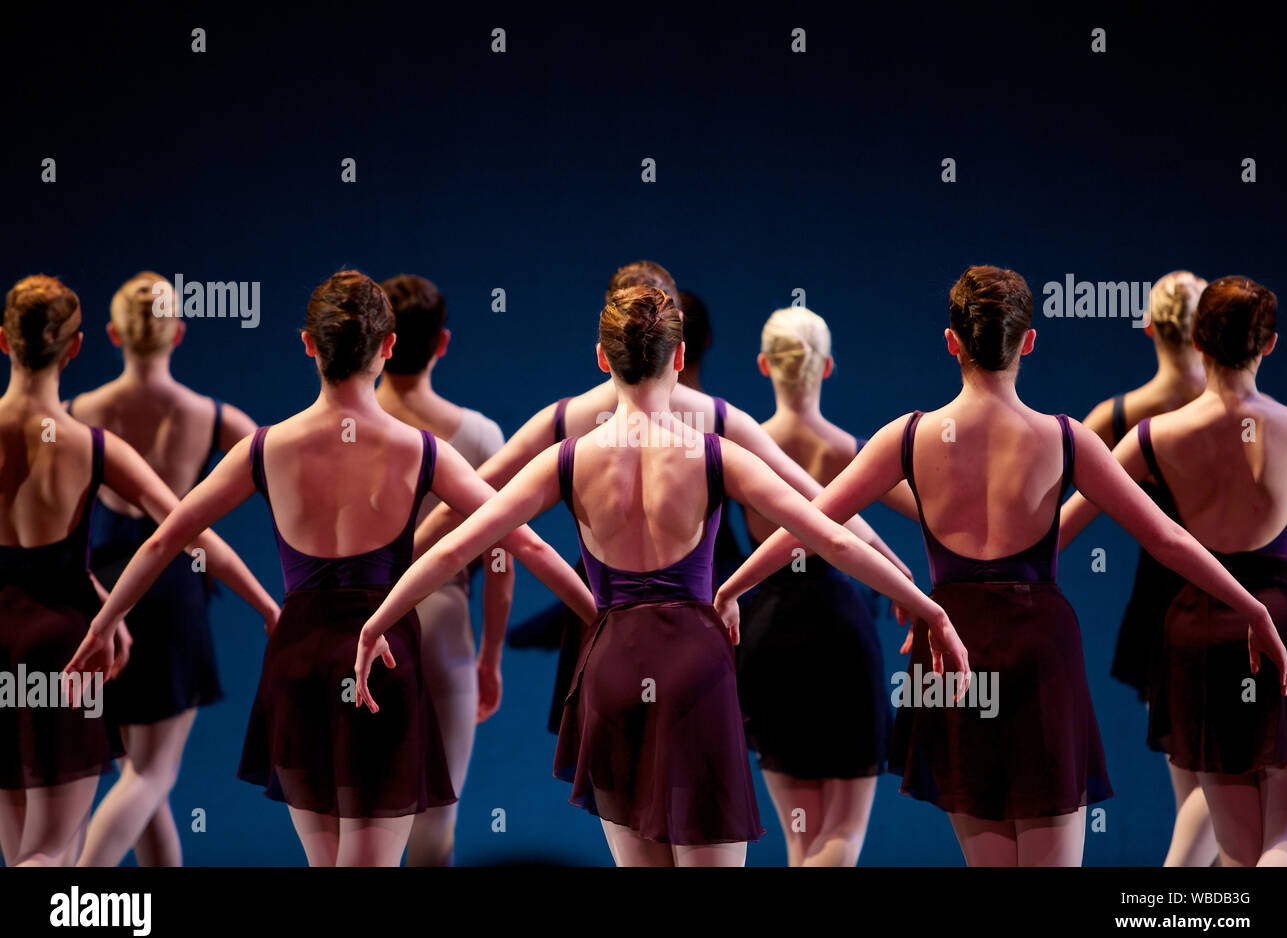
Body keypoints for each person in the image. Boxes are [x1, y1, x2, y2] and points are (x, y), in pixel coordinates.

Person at [356, 286, 969, 867]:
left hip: (611, 669)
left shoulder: (567, 459)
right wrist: (927, 606)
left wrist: (375, 621)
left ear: (602, 358)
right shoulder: (713, 454)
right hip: (694, 669)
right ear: (679, 356)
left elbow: (454, 544)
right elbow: (829, 534)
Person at [714, 265, 1287, 867]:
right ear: (1030, 341)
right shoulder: (1065, 439)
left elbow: (811, 523)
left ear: (951, 341)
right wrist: (1253, 606)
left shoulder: (907, 438)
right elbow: (1169, 538)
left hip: (953, 656)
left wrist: (731, 587)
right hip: (1041, 651)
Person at [68, 270, 594, 866]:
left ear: (308, 344)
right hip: (384, 664)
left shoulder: (265, 449)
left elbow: (166, 541)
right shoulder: (421, 453)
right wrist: (598, 616)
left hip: (299, 666)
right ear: (387, 347)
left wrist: (103, 621)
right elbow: (526, 545)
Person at [419, 260, 911, 732]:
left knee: (615, 781)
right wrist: (892, 565)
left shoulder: (564, 421)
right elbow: (822, 503)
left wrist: (391, 574)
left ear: (608, 342)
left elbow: (457, 508)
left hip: (605, 615)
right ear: (674, 338)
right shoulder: (717, 421)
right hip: (697, 615)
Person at [1, 274, 276, 867]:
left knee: (110, 792)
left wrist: (104, 598)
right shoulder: (111, 437)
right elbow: (193, 527)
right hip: (132, 601)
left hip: (86, 594)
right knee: (146, 778)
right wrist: (269, 605)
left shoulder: (81, 415)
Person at [1064, 276, 1287, 866]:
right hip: (1277, 618)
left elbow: (1062, 526)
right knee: (1285, 838)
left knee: (1237, 848)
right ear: (1270, 344)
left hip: (1193, 628)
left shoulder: (1152, 436)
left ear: (1198, 341)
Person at [1065, 269, 1216, 867]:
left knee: (1198, 790)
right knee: (1232, 799)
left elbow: (1051, 512)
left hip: (1165, 606)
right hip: (1236, 596)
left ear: (1149, 326)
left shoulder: (1123, 417)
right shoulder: (1241, 414)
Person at [735, 306, 891, 866]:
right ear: (827, 367)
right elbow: (935, 511)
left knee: (800, 841)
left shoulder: (741, 449)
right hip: (842, 632)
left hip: (768, 636)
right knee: (842, 837)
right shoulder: (851, 452)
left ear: (763, 365)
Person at [374, 273, 509, 866]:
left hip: (363, 627)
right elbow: (502, 563)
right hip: (444, 626)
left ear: (381, 341)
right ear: (442, 343)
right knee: (435, 827)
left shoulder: (335, 434)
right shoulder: (480, 436)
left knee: (363, 825)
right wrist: (490, 658)